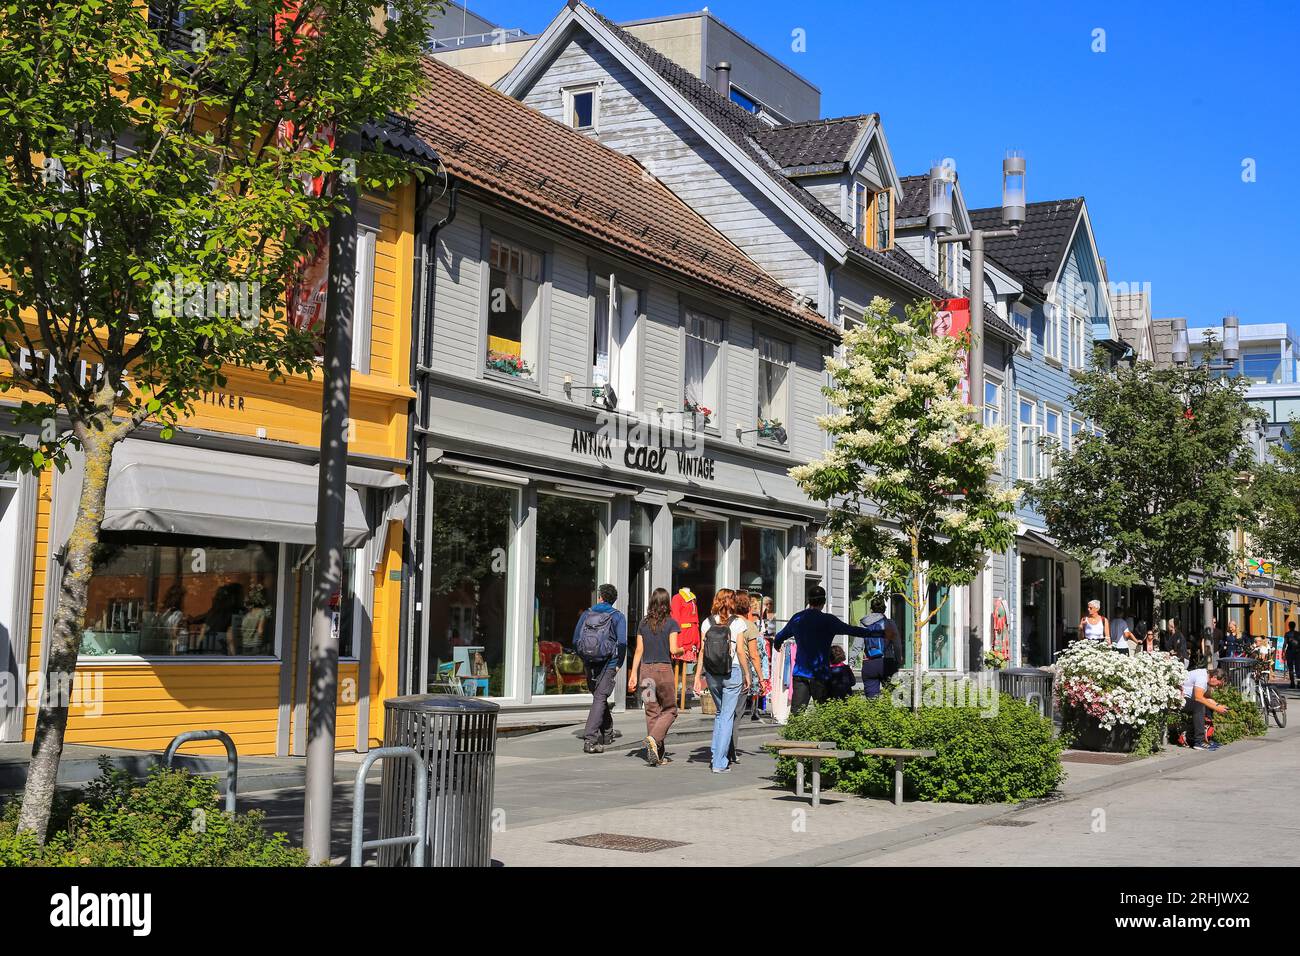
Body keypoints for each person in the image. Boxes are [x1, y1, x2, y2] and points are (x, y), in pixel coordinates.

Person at [773, 585, 881, 714]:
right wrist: (875, 633)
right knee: (825, 713)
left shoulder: (797, 619)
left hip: (800, 673)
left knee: (797, 714)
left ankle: (794, 734)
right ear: (823, 603)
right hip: (819, 673)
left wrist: (777, 644)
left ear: (809, 601)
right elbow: (851, 630)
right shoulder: (828, 620)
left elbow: (780, 636)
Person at [692, 589, 749, 773]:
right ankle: (719, 762)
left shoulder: (707, 622)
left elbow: (702, 651)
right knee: (727, 716)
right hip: (732, 672)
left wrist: (697, 677)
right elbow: (740, 652)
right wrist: (747, 673)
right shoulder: (738, 623)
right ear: (733, 602)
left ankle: (716, 752)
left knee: (719, 714)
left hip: (711, 673)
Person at [627, 587, 681, 767]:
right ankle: (653, 738)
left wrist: (633, 673)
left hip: (645, 672)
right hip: (663, 671)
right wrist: (685, 649)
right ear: (667, 604)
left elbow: (639, 650)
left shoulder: (643, 624)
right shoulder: (671, 623)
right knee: (670, 710)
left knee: (651, 711)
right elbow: (674, 650)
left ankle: (656, 754)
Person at [573, 584, 627, 755]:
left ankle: (608, 732)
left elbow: (575, 639)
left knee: (599, 697)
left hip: (589, 661)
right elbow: (623, 642)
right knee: (600, 697)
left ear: (600, 597)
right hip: (609, 662)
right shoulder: (617, 616)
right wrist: (618, 663)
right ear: (613, 600)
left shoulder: (587, 614)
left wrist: (585, 658)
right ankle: (590, 739)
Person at [858, 594, 900, 698]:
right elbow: (897, 644)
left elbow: (857, 644)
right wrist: (898, 659)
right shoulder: (889, 623)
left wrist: (851, 662)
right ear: (884, 609)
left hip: (869, 663)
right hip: (887, 662)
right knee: (894, 698)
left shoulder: (864, 623)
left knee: (872, 701)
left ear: (871, 609)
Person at [1182, 665, 1228, 751]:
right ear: (1214, 677)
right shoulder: (1202, 678)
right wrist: (1217, 708)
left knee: (1207, 706)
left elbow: (1206, 698)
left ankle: (1206, 738)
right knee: (1199, 705)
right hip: (1177, 700)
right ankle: (1198, 741)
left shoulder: (1205, 677)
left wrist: (1218, 706)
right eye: (1218, 684)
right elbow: (1198, 697)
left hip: (1186, 699)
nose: (1217, 686)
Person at [239, 584, 272, 655]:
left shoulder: (247, 614)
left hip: (245, 644)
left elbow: (242, 630)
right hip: (255, 645)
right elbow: (260, 630)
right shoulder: (261, 612)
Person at [1284, 620, 1300, 689]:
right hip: (1297, 652)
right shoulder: (1298, 633)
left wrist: (1283, 652)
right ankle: (1299, 683)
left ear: (1289, 626)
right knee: (1298, 668)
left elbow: (1285, 644)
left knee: (1290, 668)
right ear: (1295, 626)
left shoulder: (1287, 634)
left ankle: (1292, 683)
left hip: (1290, 652)